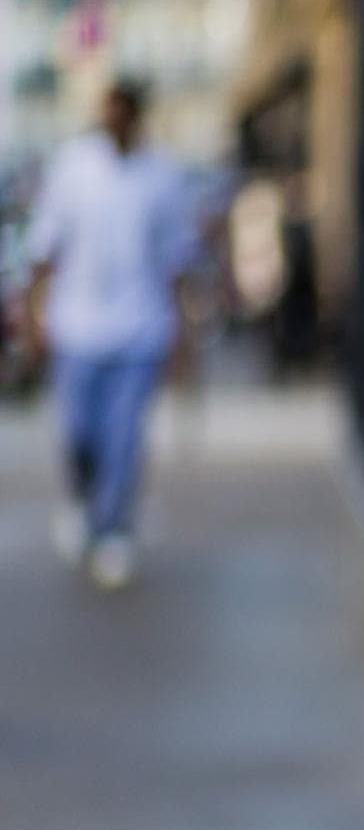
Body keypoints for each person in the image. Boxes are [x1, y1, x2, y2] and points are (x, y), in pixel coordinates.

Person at [21, 80, 196, 590]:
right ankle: (84, 500)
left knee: (123, 437)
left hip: (139, 330)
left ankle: (112, 529)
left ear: (137, 117)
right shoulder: (73, 168)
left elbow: (177, 260)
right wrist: (34, 321)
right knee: (79, 434)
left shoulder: (161, 176)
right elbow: (44, 249)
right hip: (77, 329)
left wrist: (184, 336)